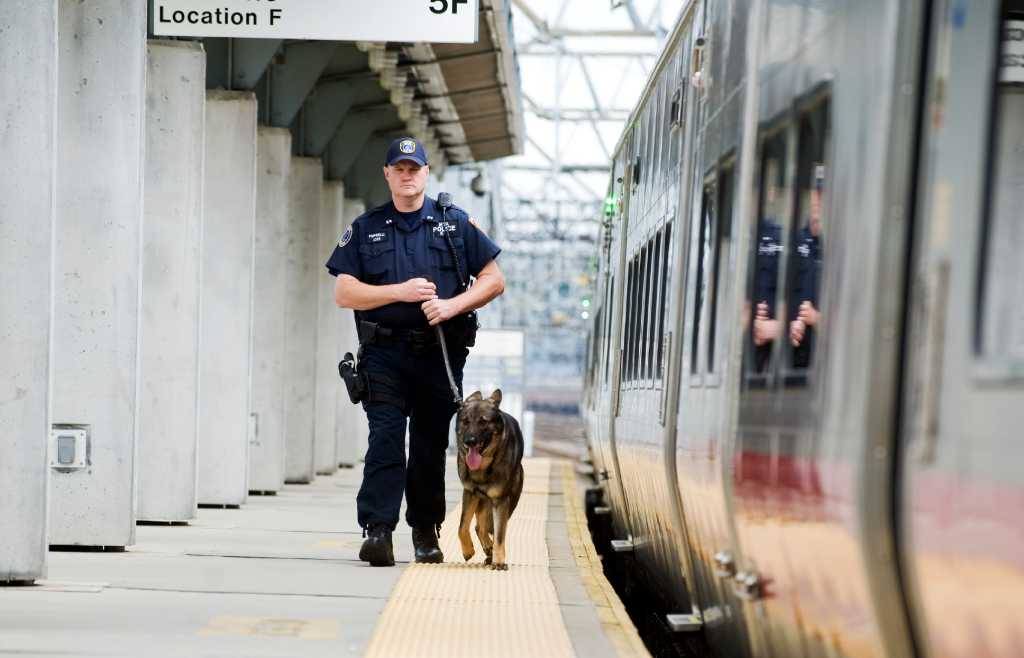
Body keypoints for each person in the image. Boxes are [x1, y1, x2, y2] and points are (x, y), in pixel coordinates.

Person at [324, 137, 505, 566]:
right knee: (385, 439)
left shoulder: (455, 225)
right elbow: (343, 292)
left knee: (427, 446)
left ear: (426, 173)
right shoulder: (366, 228)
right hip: (384, 355)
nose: (407, 175)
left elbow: (493, 279)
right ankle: (378, 530)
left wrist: (452, 306)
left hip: (438, 356)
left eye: (415, 168)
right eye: (399, 168)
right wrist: (399, 292)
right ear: (387, 174)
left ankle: (425, 531)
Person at [787, 164, 824, 368]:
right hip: (792, 365)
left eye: (824, 194)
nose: (819, 201)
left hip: (823, 367)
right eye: (816, 193)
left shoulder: (840, 249)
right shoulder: (792, 243)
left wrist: (816, 318)